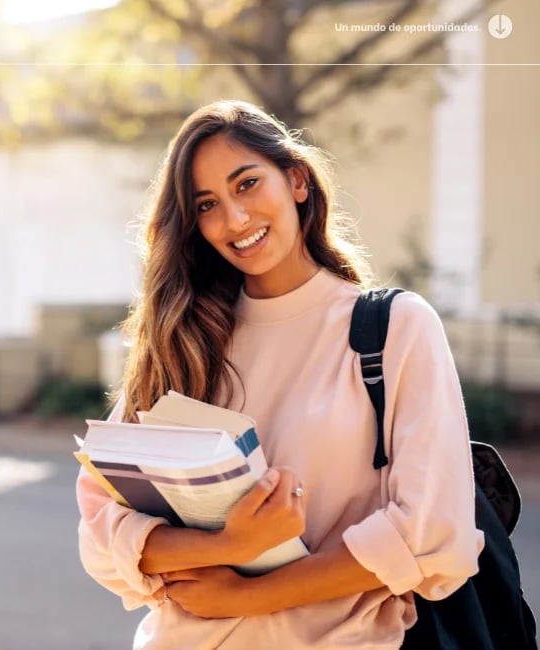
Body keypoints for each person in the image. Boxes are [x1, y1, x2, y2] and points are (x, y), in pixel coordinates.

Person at [75, 99, 484, 649]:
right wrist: (230, 545)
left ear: (296, 180)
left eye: (246, 184)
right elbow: (101, 533)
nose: (235, 220)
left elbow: (431, 536)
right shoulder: (185, 341)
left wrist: (245, 596)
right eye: (207, 205)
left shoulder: (393, 329)